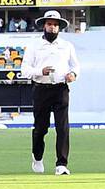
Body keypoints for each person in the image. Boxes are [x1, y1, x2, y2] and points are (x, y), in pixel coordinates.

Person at [19, 10, 80, 175]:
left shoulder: (67, 46)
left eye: (55, 25)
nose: (52, 27)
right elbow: (24, 70)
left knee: (63, 128)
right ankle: (37, 156)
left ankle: (61, 164)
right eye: (49, 24)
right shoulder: (34, 46)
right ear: (44, 26)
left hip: (60, 88)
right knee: (40, 128)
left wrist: (73, 74)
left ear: (59, 27)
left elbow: (76, 66)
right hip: (41, 89)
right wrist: (40, 71)